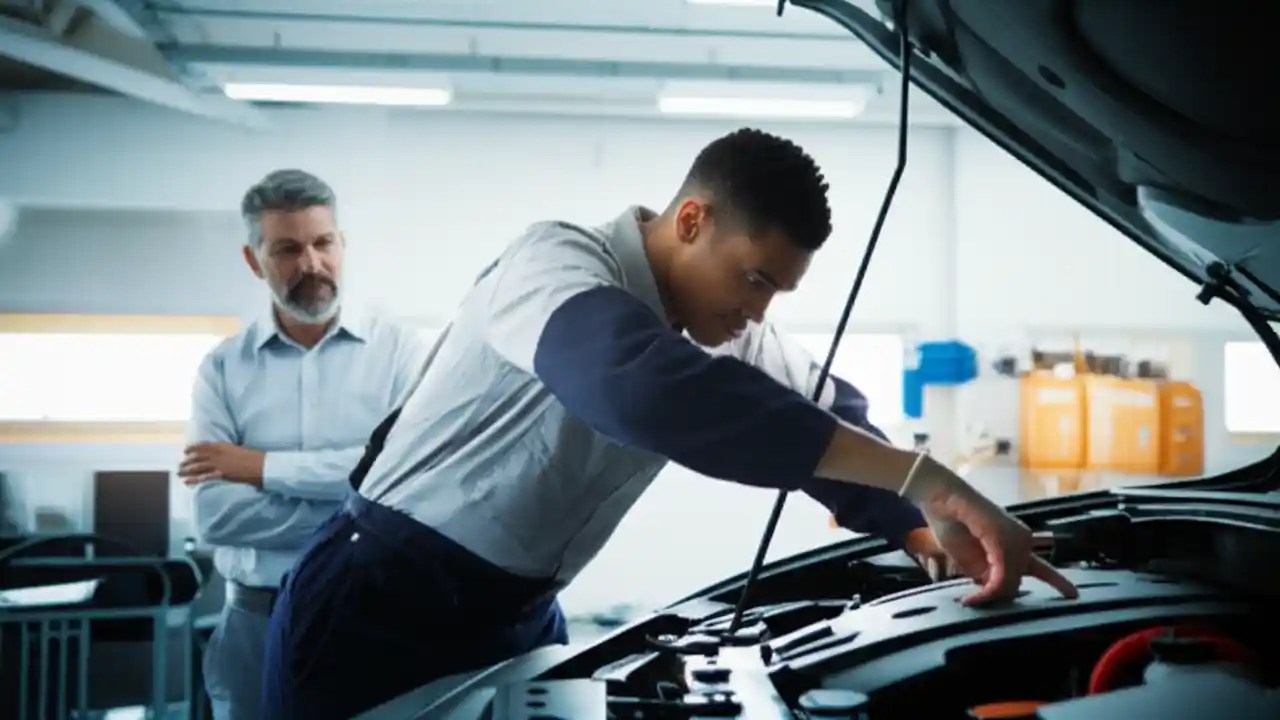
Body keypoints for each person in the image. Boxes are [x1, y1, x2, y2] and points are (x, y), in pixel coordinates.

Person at [260, 129, 1078, 719]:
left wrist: (925, 528)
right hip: (375, 603)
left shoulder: (731, 327)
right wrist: (924, 476)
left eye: (776, 295)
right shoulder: (556, 262)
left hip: (518, 615)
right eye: (753, 279)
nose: (757, 311)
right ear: (690, 222)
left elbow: (830, 417)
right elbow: (641, 391)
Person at [181, 169, 433, 720]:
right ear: (255, 261)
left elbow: (411, 481)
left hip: (372, 616)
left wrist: (261, 467)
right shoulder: (223, 369)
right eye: (288, 249)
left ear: (343, 245)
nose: (311, 264)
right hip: (255, 620)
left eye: (323, 244)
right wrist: (356, 516)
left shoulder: (399, 353)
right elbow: (215, 515)